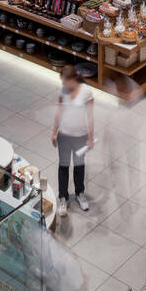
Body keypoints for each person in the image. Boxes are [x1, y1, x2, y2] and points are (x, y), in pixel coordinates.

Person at [50, 64, 93, 215]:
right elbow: (59, 112)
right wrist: (54, 132)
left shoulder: (87, 92)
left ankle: (80, 194)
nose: (63, 85)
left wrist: (90, 137)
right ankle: (63, 197)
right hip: (64, 135)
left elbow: (90, 116)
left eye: (64, 81)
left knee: (79, 166)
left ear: (73, 79)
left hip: (80, 135)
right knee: (63, 166)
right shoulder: (63, 91)